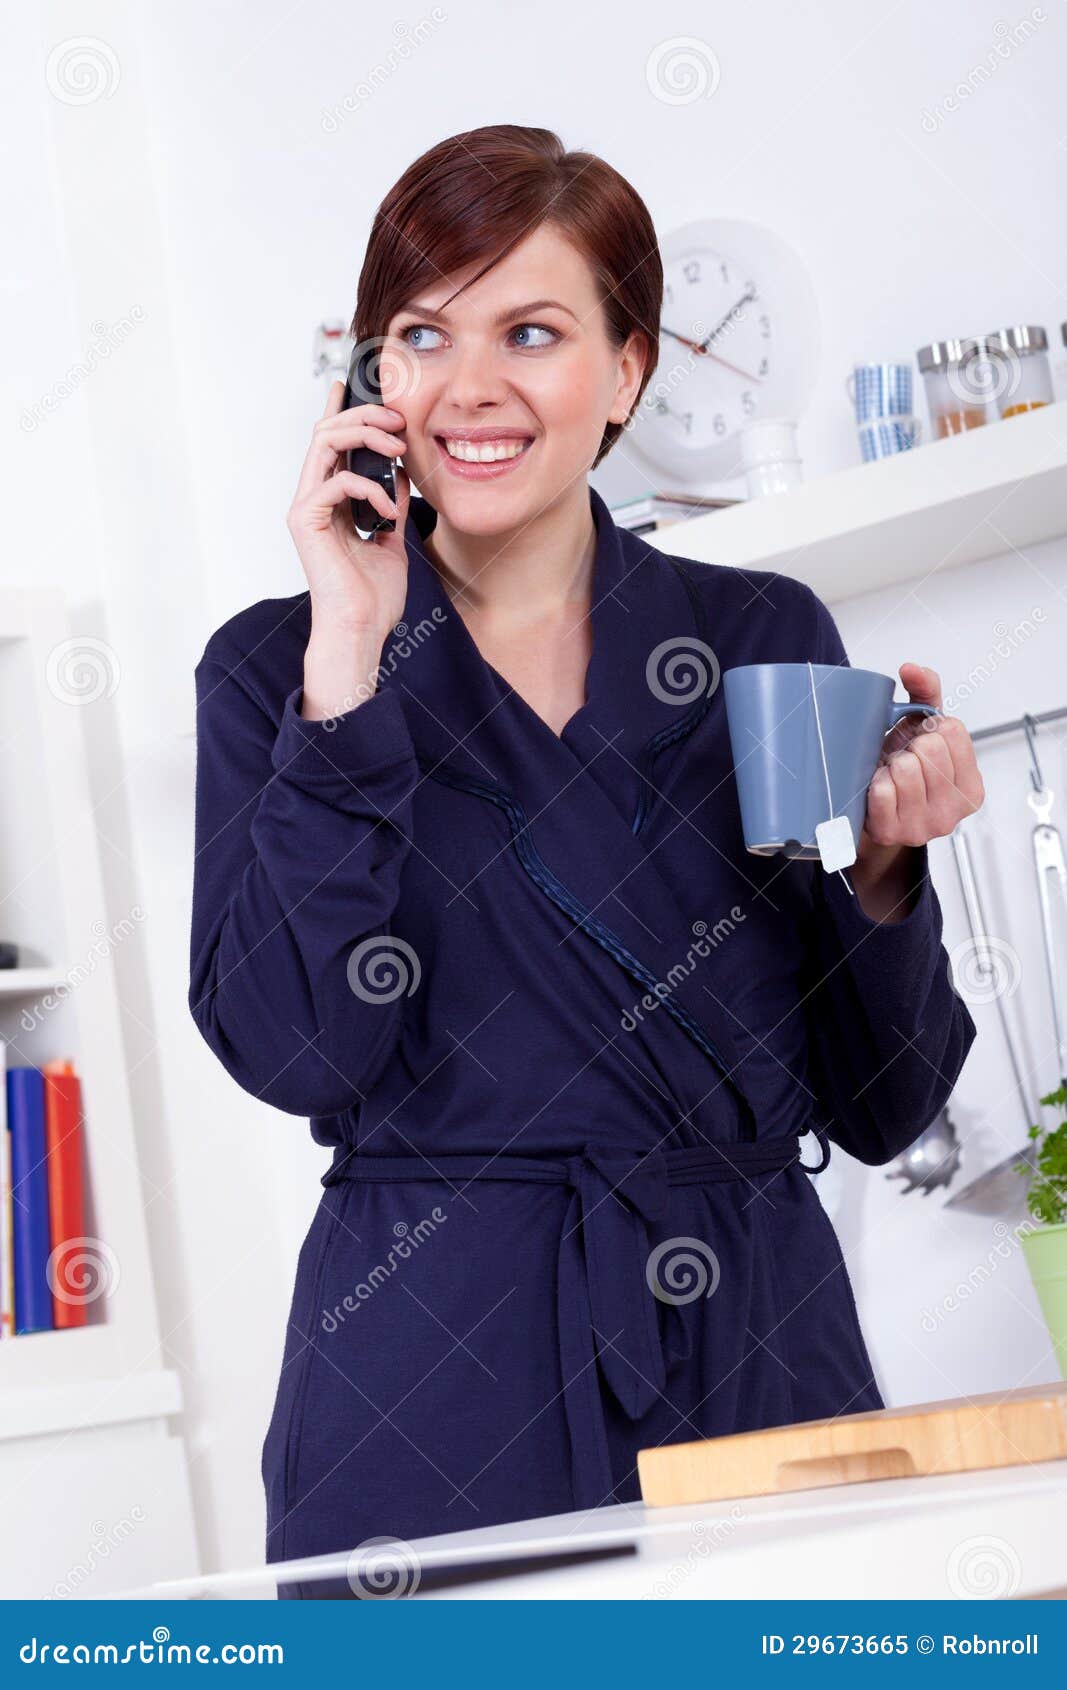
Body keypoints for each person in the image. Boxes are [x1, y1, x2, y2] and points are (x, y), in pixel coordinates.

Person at [188, 124, 982, 1599]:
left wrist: (883, 877)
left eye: (532, 331)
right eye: (423, 334)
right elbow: (299, 1045)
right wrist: (350, 653)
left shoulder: (764, 642)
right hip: (435, 1375)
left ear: (624, 372)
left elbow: (886, 1107)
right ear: (371, 381)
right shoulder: (278, 664)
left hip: (754, 1354)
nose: (469, 386)